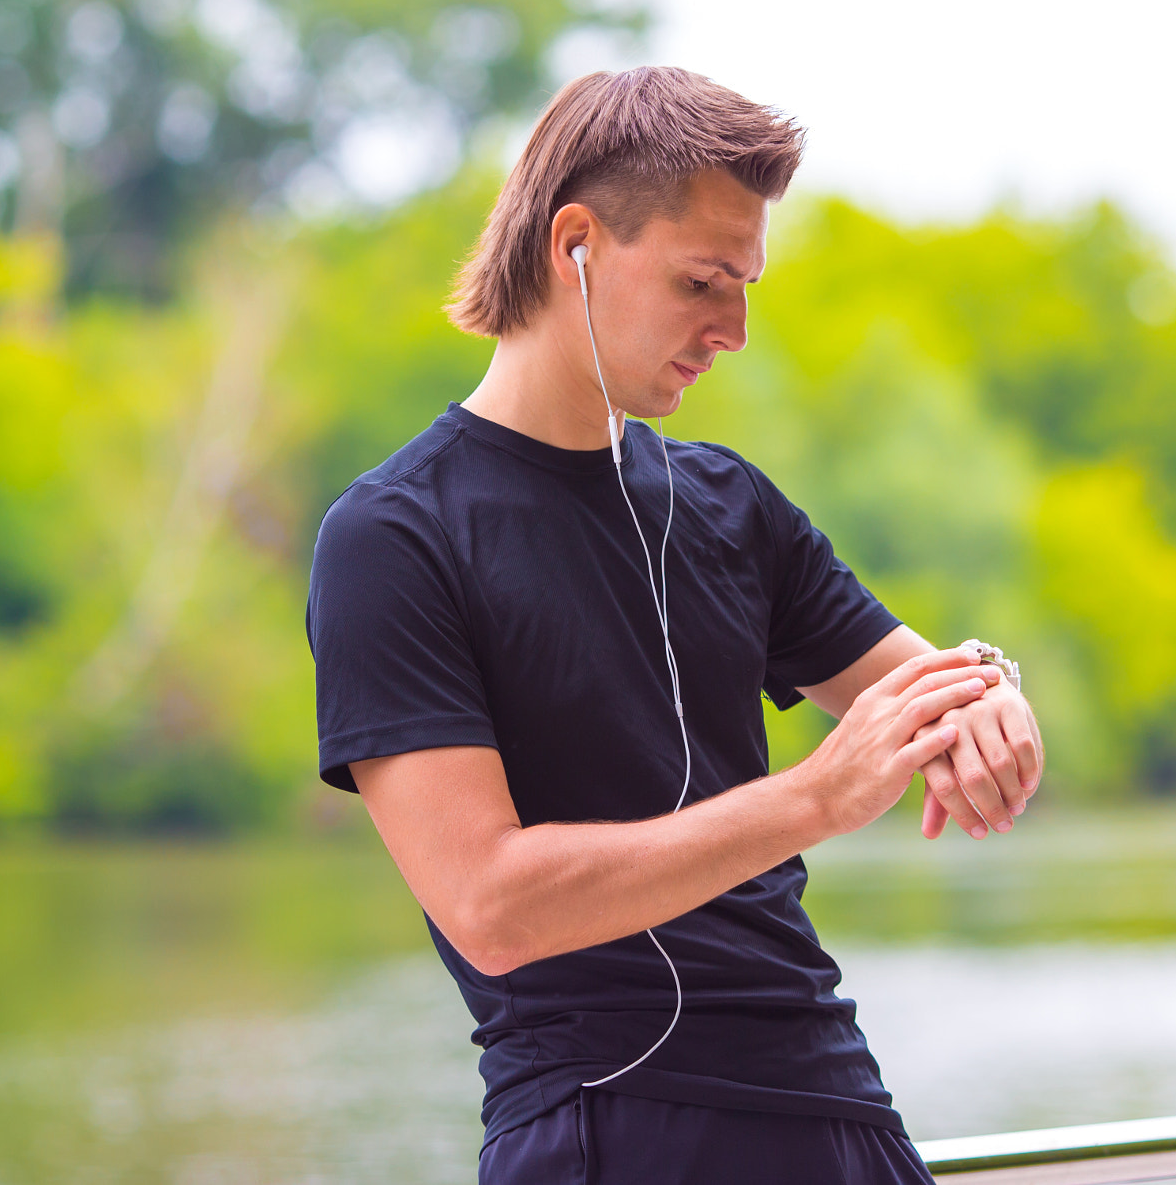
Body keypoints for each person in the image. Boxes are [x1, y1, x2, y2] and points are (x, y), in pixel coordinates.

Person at [307, 66, 1044, 1184]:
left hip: (838, 1108)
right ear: (575, 245)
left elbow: (929, 691)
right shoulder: (395, 537)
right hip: (606, 1128)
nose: (734, 328)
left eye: (745, 285)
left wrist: (988, 687)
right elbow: (489, 906)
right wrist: (814, 797)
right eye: (703, 281)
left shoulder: (730, 504)